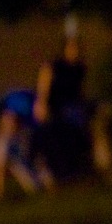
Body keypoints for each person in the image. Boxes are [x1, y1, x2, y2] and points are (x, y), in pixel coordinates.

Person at [34, 34, 89, 179]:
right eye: (72, 48)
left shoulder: (79, 68)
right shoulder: (55, 66)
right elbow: (44, 84)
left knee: (75, 139)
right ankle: (54, 170)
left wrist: (82, 108)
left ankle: (72, 170)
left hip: (72, 109)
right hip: (55, 107)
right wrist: (41, 103)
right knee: (54, 138)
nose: (75, 51)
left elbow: (79, 90)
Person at [0, 90, 53, 199]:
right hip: (15, 152)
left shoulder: (27, 132)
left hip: (25, 154)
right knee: (35, 186)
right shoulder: (3, 142)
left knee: (42, 182)